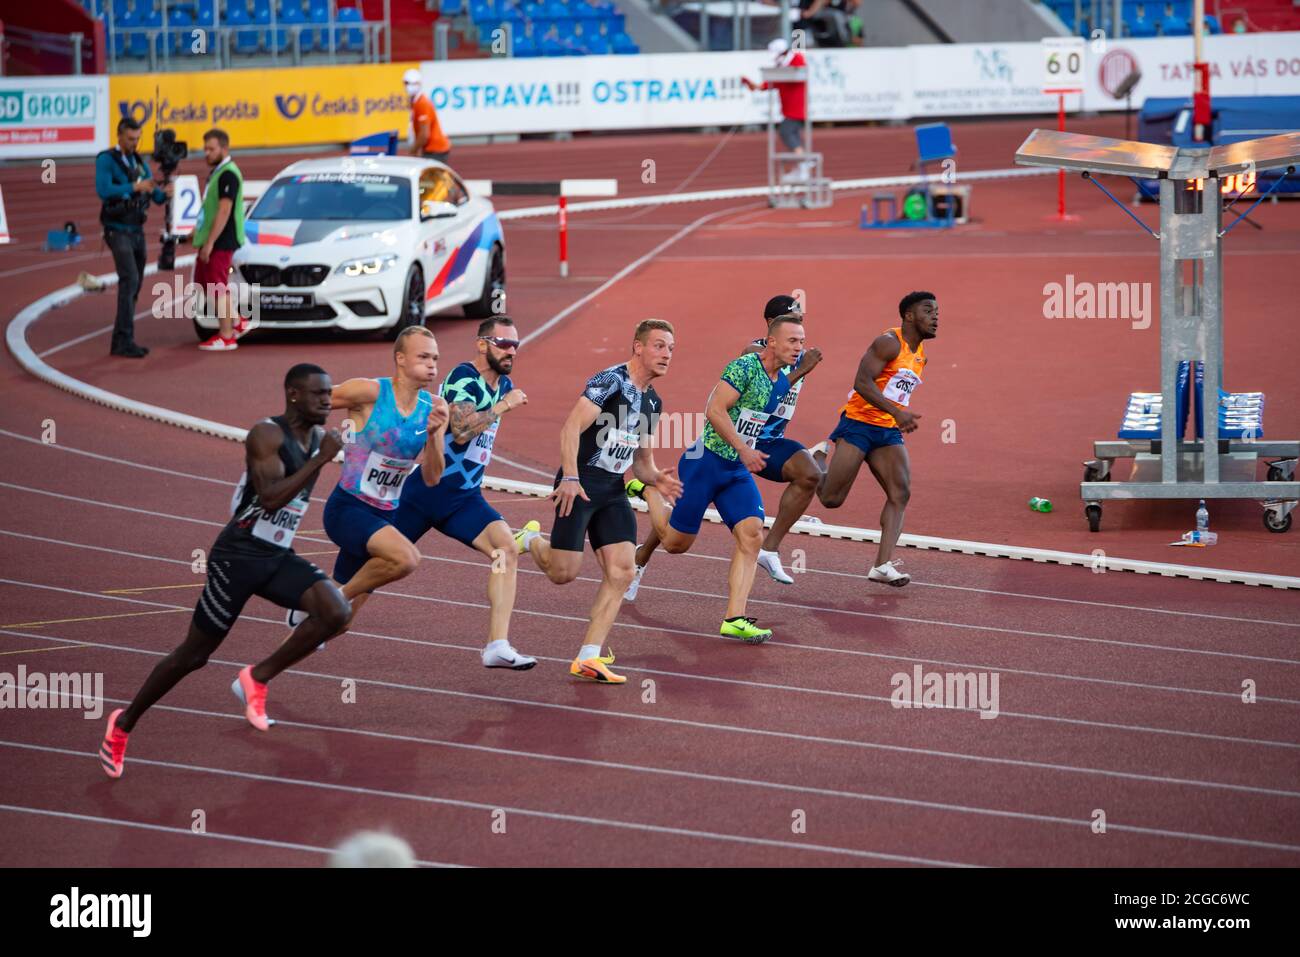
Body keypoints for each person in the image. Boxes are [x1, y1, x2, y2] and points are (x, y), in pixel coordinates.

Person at [99, 364, 352, 777]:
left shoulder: (321, 438)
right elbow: (270, 499)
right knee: (194, 655)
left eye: (329, 393)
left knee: (336, 612)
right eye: (318, 394)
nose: (328, 400)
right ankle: (122, 724)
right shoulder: (267, 435)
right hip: (237, 555)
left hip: (276, 555)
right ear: (292, 394)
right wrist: (320, 461)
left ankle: (257, 677)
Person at [518, 320, 682, 684]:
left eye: (671, 348)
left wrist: (657, 479)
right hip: (580, 483)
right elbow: (570, 428)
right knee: (564, 573)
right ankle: (530, 540)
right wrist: (571, 478)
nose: (667, 354)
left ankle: (588, 657)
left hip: (611, 489)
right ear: (638, 347)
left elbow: (640, 461)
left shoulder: (654, 401)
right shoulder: (609, 381)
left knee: (622, 571)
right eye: (659, 346)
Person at [629, 316, 807, 644]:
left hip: (735, 471)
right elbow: (714, 410)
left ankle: (734, 619)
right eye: (793, 341)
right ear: (771, 342)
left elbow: (755, 422)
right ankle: (649, 490)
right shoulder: (744, 368)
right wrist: (743, 448)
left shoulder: (781, 381)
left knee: (752, 535)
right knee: (675, 545)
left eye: (802, 341)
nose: (800, 348)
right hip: (705, 463)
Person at [393, 317, 538, 670]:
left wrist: (502, 401)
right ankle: (323, 610)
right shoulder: (463, 377)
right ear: (481, 344)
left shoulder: (504, 384)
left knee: (505, 549)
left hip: (464, 497)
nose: (511, 351)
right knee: (376, 567)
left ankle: (497, 645)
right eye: (503, 343)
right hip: (428, 491)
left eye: (515, 345)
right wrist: (503, 406)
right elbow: (459, 430)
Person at [289, 327, 450, 634]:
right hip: (349, 508)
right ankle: (331, 600)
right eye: (424, 357)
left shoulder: (435, 407)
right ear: (400, 359)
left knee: (338, 626)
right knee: (406, 559)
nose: (432, 365)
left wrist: (433, 437)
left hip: (386, 515)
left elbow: (432, 478)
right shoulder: (368, 392)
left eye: (435, 359)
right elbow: (310, 402)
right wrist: (296, 446)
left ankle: (256, 676)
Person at [811, 291, 938, 587]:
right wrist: (898, 411)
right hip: (857, 424)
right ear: (909, 316)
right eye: (928, 311)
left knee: (900, 493)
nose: (935, 318)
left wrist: (894, 416)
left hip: (887, 431)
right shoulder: (888, 343)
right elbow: (861, 383)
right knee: (831, 499)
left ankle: (881, 565)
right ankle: (816, 458)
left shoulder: (921, 356)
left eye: (937, 313)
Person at [94, 116, 173, 358]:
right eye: (130, 139)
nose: (134, 143)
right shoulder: (106, 159)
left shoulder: (139, 162)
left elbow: (155, 196)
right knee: (129, 280)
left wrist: (166, 191)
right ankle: (122, 340)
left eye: (138, 139)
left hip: (136, 230)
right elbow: (104, 190)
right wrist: (134, 187)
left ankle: (123, 336)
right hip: (117, 229)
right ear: (119, 135)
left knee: (135, 284)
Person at [192, 128, 253, 353]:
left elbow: (224, 210)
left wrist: (209, 243)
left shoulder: (228, 173)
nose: (206, 153)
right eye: (205, 148)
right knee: (204, 280)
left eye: (211, 148)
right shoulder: (218, 172)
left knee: (217, 286)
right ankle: (236, 321)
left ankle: (227, 336)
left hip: (221, 240)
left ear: (224, 149)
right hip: (213, 238)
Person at [742, 38, 813, 182]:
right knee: (793, 137)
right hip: (788, 109)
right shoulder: (780, 68)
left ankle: (804, 163)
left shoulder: (796, 60)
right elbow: (769, 84)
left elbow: (797, 70)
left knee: (786, 132)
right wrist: (753, 86)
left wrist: (781, 67)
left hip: (797, 109)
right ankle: (801, 167)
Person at [404, 68, 451, 164]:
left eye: (413, 83)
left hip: (436, 149)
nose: (409, 87)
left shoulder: (422, 103)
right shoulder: (416, 102)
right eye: (407, 83)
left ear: (419, 84)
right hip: (432, 149)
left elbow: (424, 135)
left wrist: (414, 149)